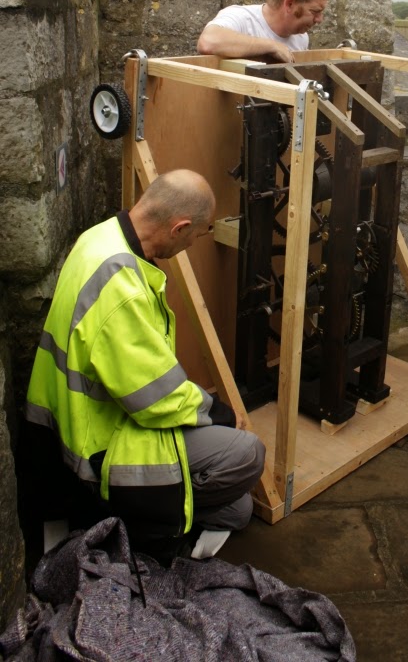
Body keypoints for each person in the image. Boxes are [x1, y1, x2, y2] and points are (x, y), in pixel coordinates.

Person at [25, 169, 265, 553]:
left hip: (83, 422)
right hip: (96, 451)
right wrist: (219, 413)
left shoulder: (101, 237)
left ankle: (158, 511)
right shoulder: (118, 283)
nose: (192, 244)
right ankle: (126, 521)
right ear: (179, 227)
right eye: (197, 234)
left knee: (238, 510)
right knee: (247, 453)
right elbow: (155, 398)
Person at [197, 0, 328, 63]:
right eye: (315, 11)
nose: (319, 19)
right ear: (290, 3)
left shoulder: (301, 38)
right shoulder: (242, 18)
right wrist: (272, 46)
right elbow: (208, 41)